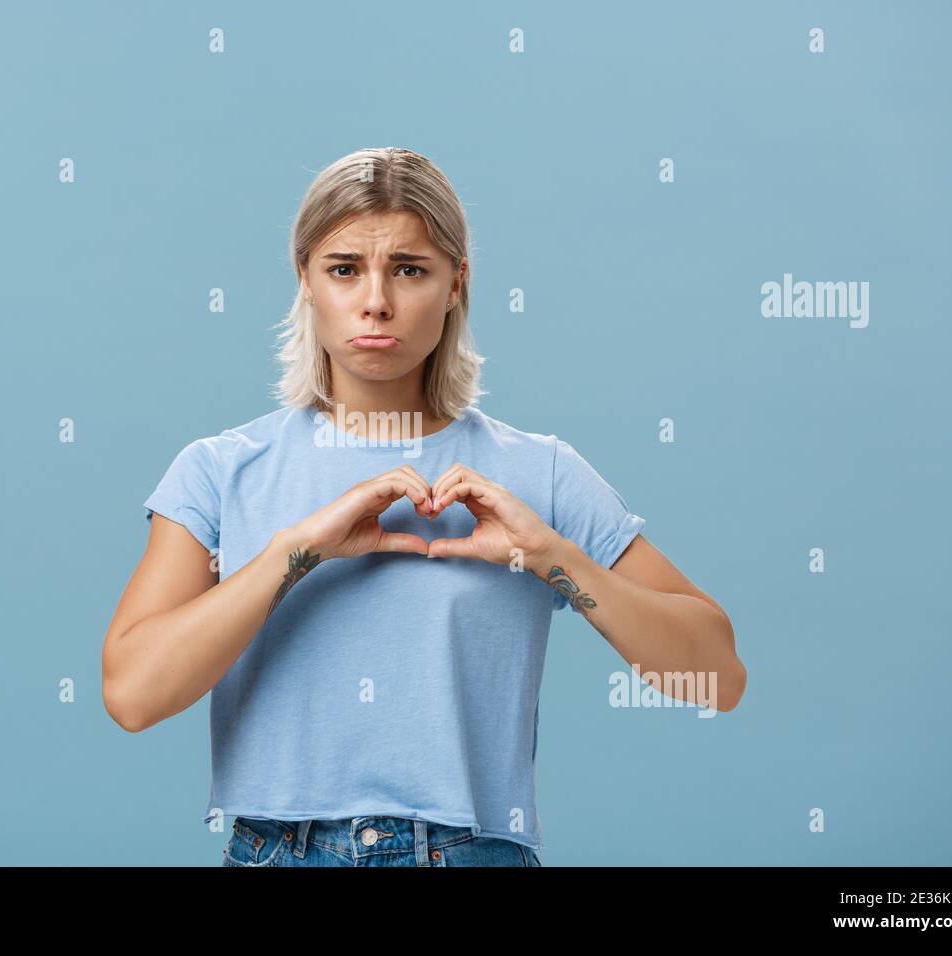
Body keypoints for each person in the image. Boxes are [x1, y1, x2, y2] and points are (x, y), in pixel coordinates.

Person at [101, 147, 745, 867]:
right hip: (277, 851)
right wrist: (294, 552)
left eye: (409, 269)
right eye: (344, 269)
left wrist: (550, 557)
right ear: (306, 282)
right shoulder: (221, 472)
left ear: (454, 286)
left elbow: (718, 677)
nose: (376, 300)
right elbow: (133, 696)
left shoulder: (540, 474)